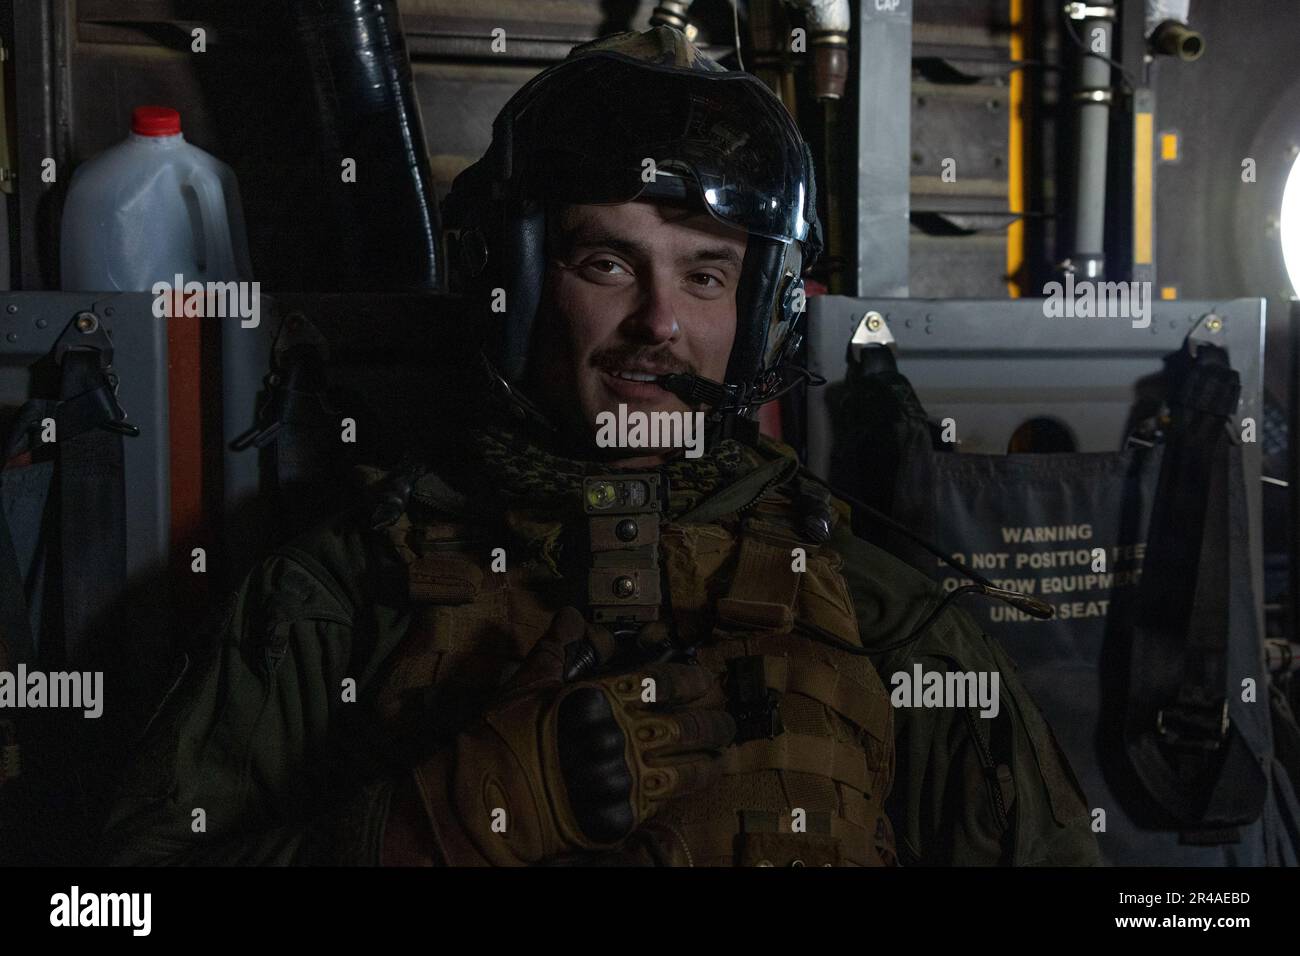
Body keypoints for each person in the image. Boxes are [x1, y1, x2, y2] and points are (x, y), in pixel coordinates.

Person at [103, 25, 1099, 867]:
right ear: (520, 284)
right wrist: (430, 822)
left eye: (706, 277)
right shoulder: (333, 600)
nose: (658, 322)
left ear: (761, 316)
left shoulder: (884, 617)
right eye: (606, 263)